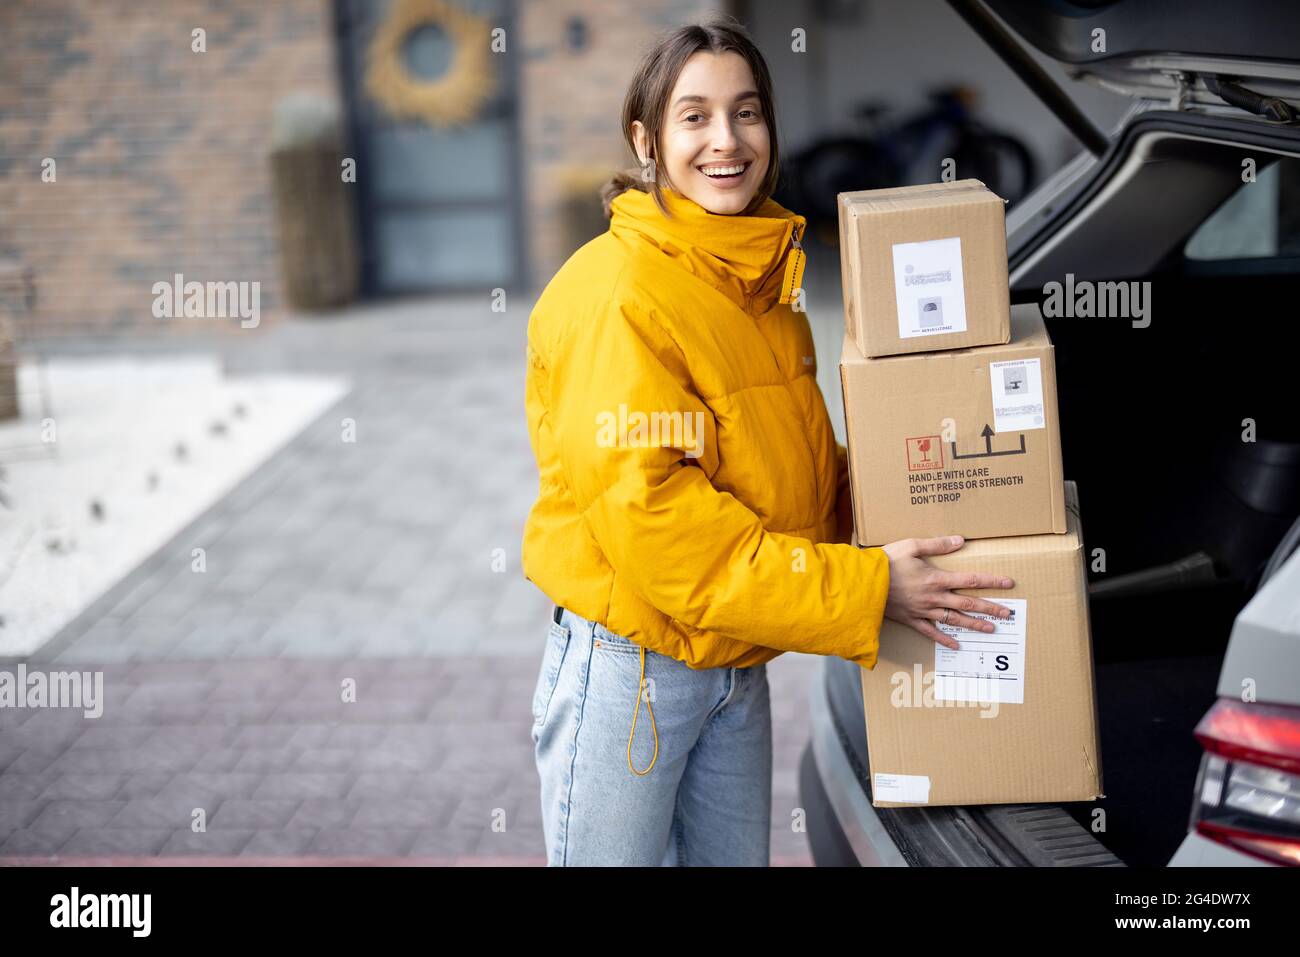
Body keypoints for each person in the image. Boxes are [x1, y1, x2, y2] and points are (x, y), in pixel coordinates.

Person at [521, 16, 1015, 866]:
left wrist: (942, 484)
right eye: (695, 116)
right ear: (645, 138)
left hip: (735, 665)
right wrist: (865, 590)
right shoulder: (619, 296)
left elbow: (791, 466)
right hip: (634, 675)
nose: (727, 140)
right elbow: (665, 532)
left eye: (747, 113)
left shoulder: (757, 278)